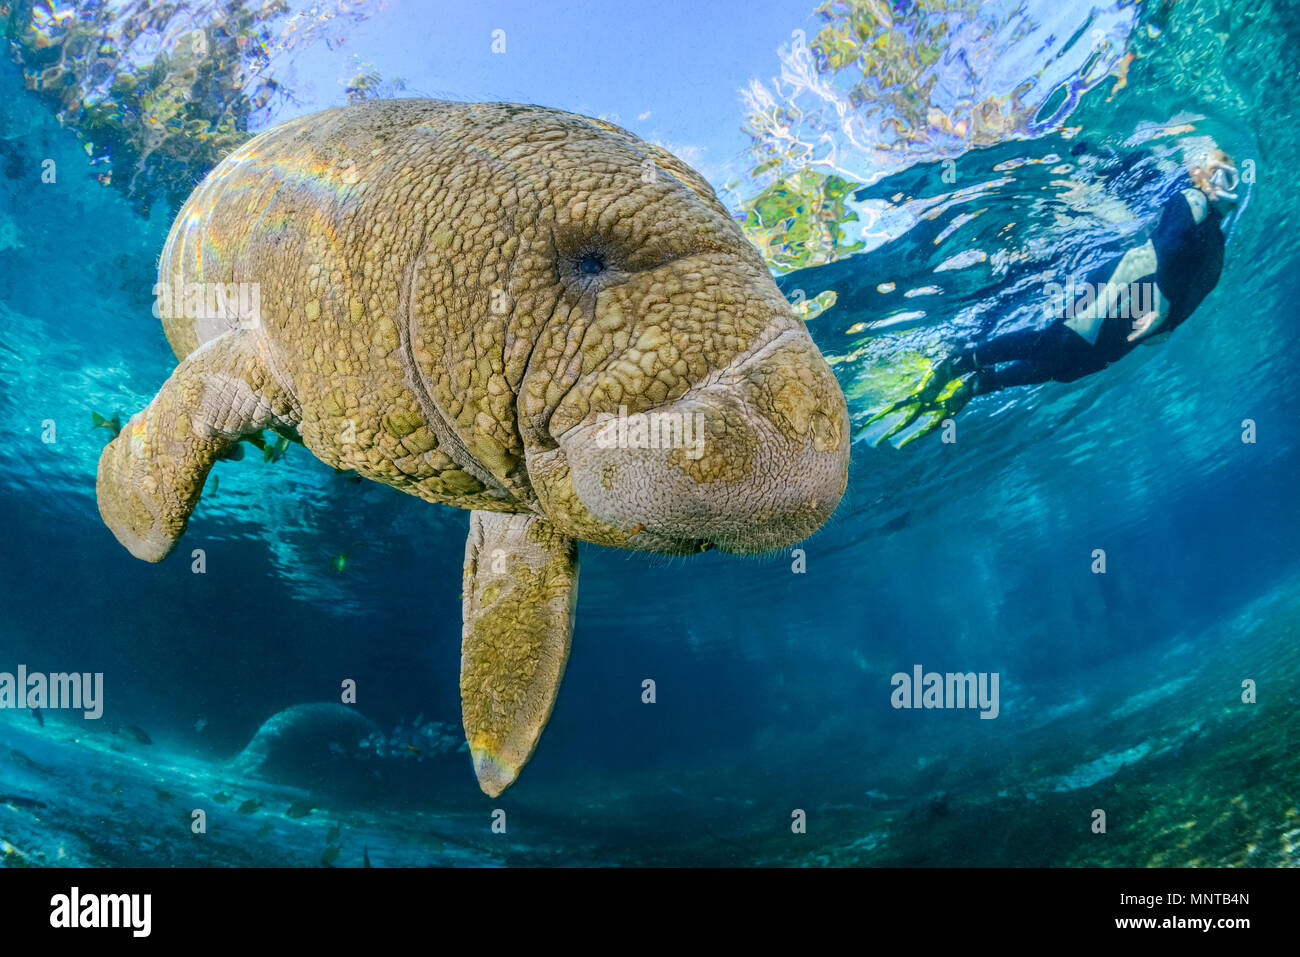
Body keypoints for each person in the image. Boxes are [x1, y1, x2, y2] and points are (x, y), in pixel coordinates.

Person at [871, 147, 1241, 446]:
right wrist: (1160, 314)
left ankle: (968, 378)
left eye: (1224, 176)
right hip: (1129, 301)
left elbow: (1179, 264)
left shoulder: (1203, 217)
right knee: (1065, 351)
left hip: (1129, 300)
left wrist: (1160, 314)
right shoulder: (1207, 224)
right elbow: (1176, 260)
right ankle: (964, 372)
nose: (1222, 184)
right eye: (1220, 174)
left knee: (1066, 357)